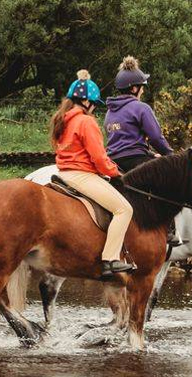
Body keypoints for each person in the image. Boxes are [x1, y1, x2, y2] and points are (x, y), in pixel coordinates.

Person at [50, 69, 136, 278]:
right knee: (124, 209)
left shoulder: (63, 119)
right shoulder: (86, 121)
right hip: (82, 175)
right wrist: (115, 173)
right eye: (94, 105)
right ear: (87, 102)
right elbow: (99, 158)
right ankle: (110, 260)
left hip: (63, 173)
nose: (94, 109)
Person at [103, 56, 173, 173]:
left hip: (113, 161)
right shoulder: (141, 108)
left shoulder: (109, 112)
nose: (143, 91)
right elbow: (156, 138)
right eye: (142, 87)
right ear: (134, 89)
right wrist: (171, 155)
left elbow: (124, 145)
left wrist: (150, 155)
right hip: (135, 161)